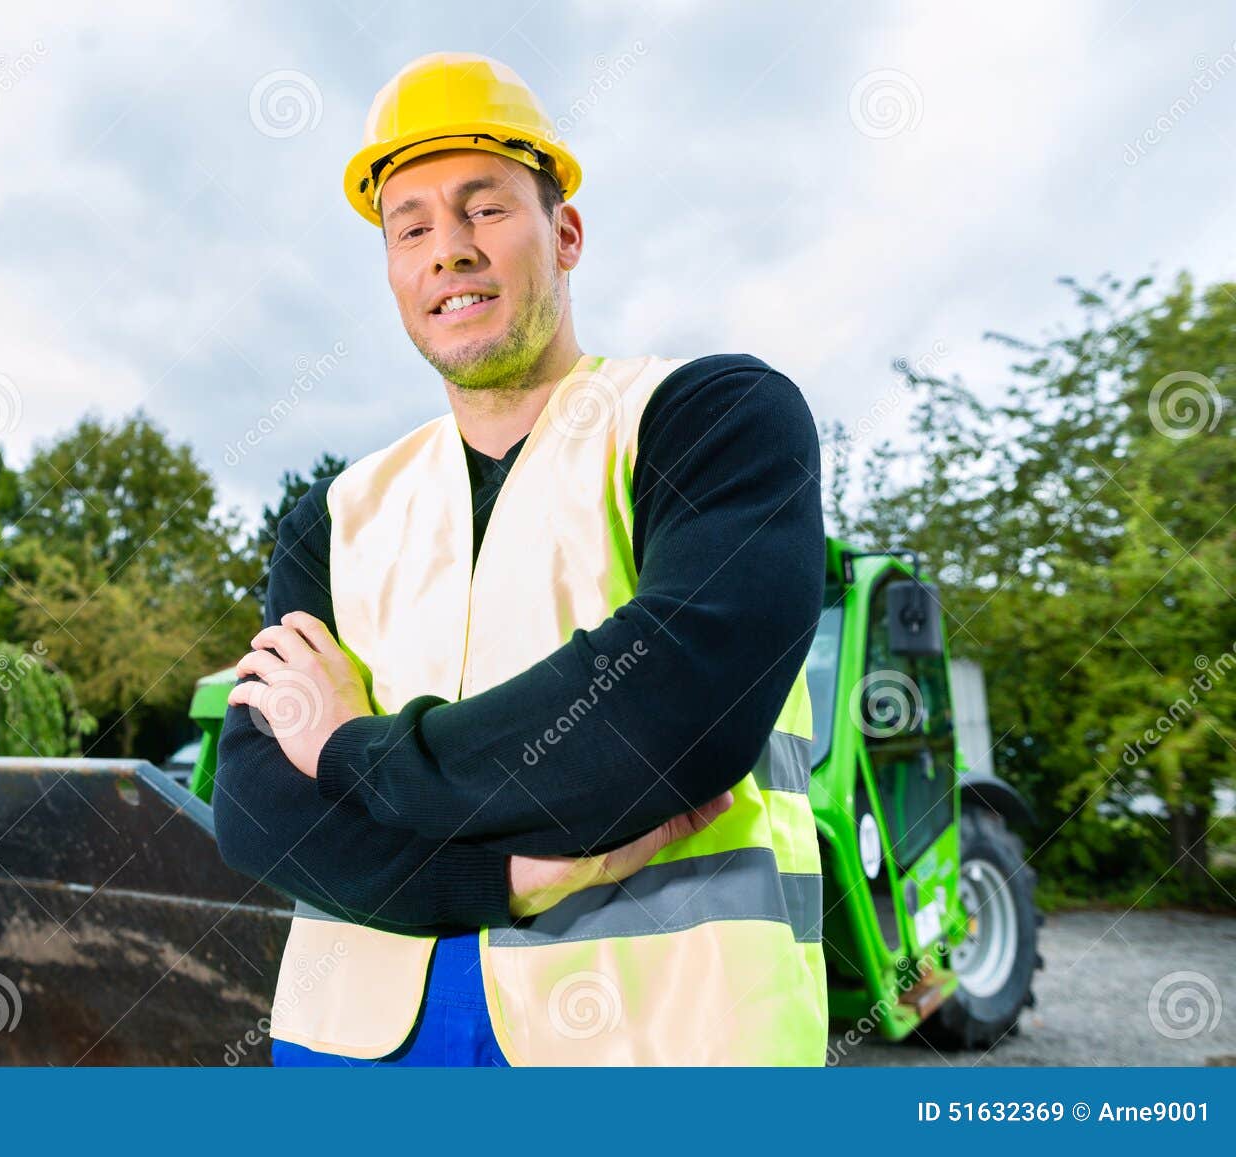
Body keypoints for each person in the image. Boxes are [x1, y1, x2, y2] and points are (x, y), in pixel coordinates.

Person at [214, 51, 828, 1066]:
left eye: (484, 210)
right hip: (350, 1052)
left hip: (660, 1047)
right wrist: (493, 881)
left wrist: (348, 749)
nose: (446, 250)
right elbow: (255, 806)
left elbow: (664, 711)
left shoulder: (707, 417)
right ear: (392, 272)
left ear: (567, 233)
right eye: (409, 226)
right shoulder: (334, 515)